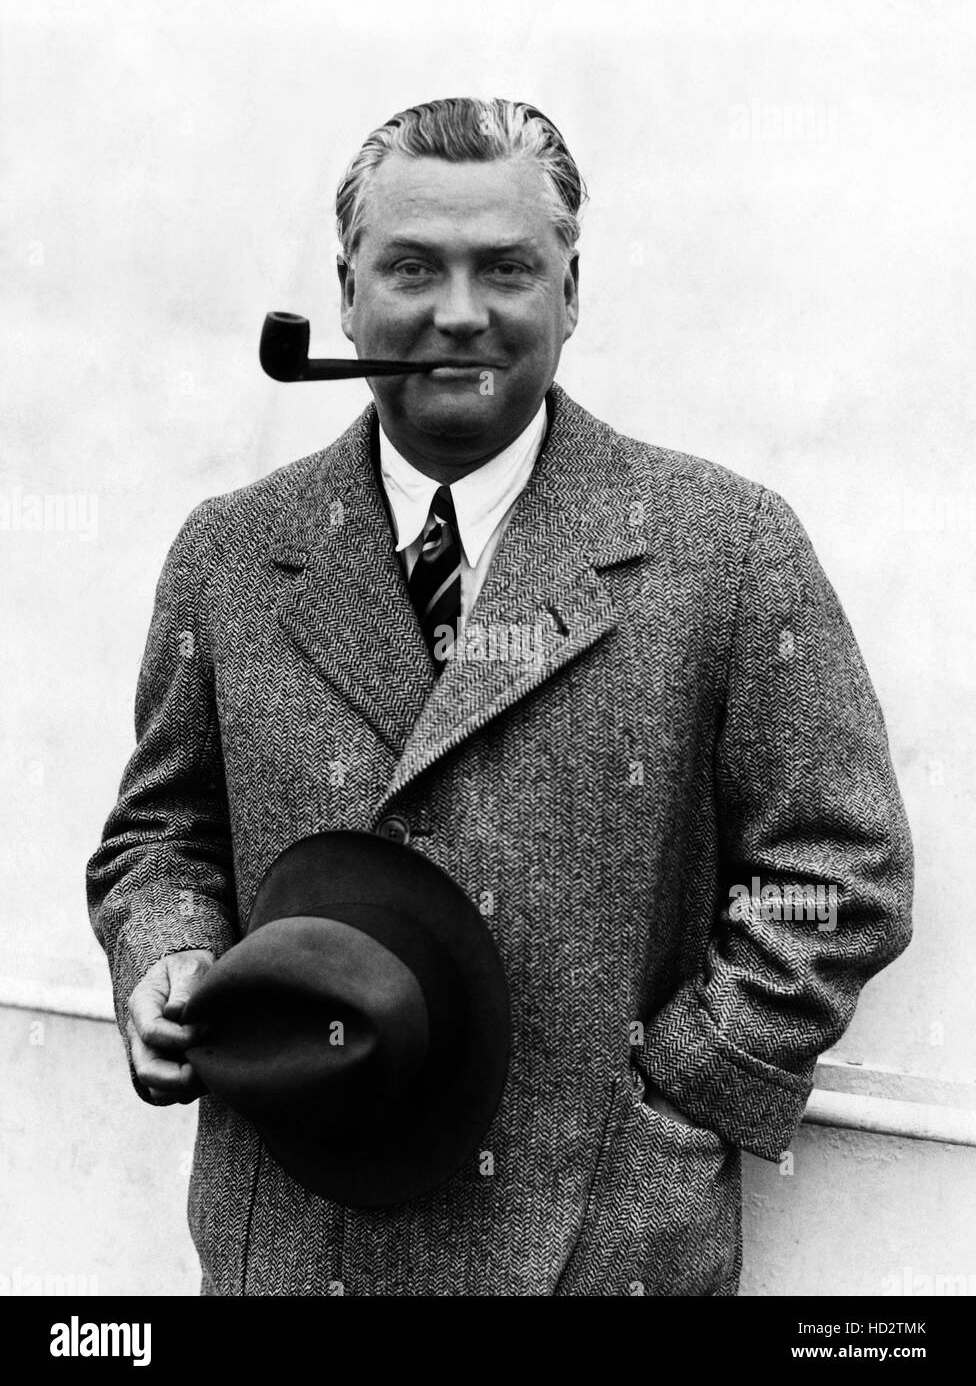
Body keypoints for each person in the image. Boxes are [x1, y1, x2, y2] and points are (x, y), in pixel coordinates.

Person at [86, 96, 913, 1296]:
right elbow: (161, 836)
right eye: (413, 266)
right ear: (346, 288)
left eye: (508, 269)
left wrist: (676, 1085)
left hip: (595, 1247)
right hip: (295, 1239)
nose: (459, 312)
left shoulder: (722, 549)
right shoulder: (231, 550)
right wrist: (167, 956)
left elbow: (840, 869)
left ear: (570, 295)